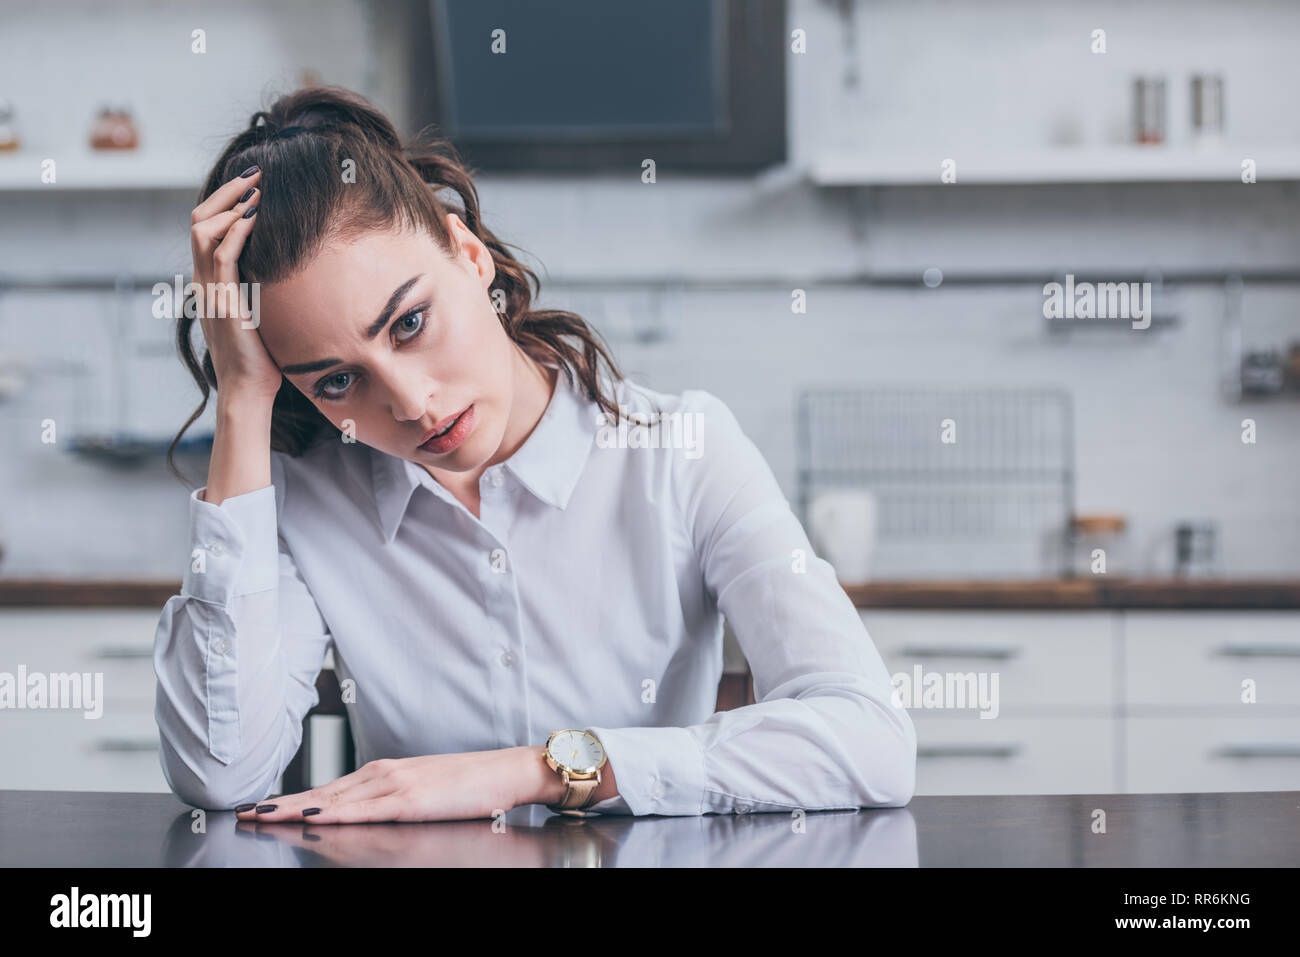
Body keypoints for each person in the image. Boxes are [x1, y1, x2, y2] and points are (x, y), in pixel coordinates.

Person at [155, 84, 915, 822]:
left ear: (468, 254)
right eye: (338, 381)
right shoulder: (305, 503)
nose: (411, 404)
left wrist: (535, 772)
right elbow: (222, 773)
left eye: (410, 322)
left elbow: (869, 739)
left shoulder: (683, 452)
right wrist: (242, 397)